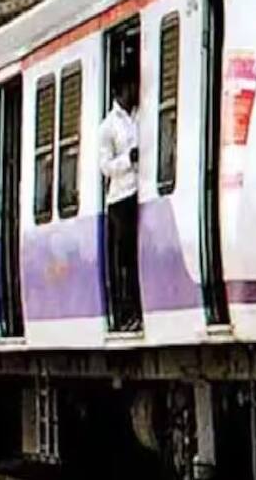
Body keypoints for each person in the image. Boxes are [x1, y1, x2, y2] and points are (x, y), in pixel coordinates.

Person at [99, 75, 143, 332]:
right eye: (130, 87)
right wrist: (128, 159)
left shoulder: (139, 115)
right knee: (127, 259)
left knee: (139, 255)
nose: (134, 91)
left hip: (139, 192)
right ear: (119, 91)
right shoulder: (107, 126)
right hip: (121, 197)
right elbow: (105, 167)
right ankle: (128, 312)